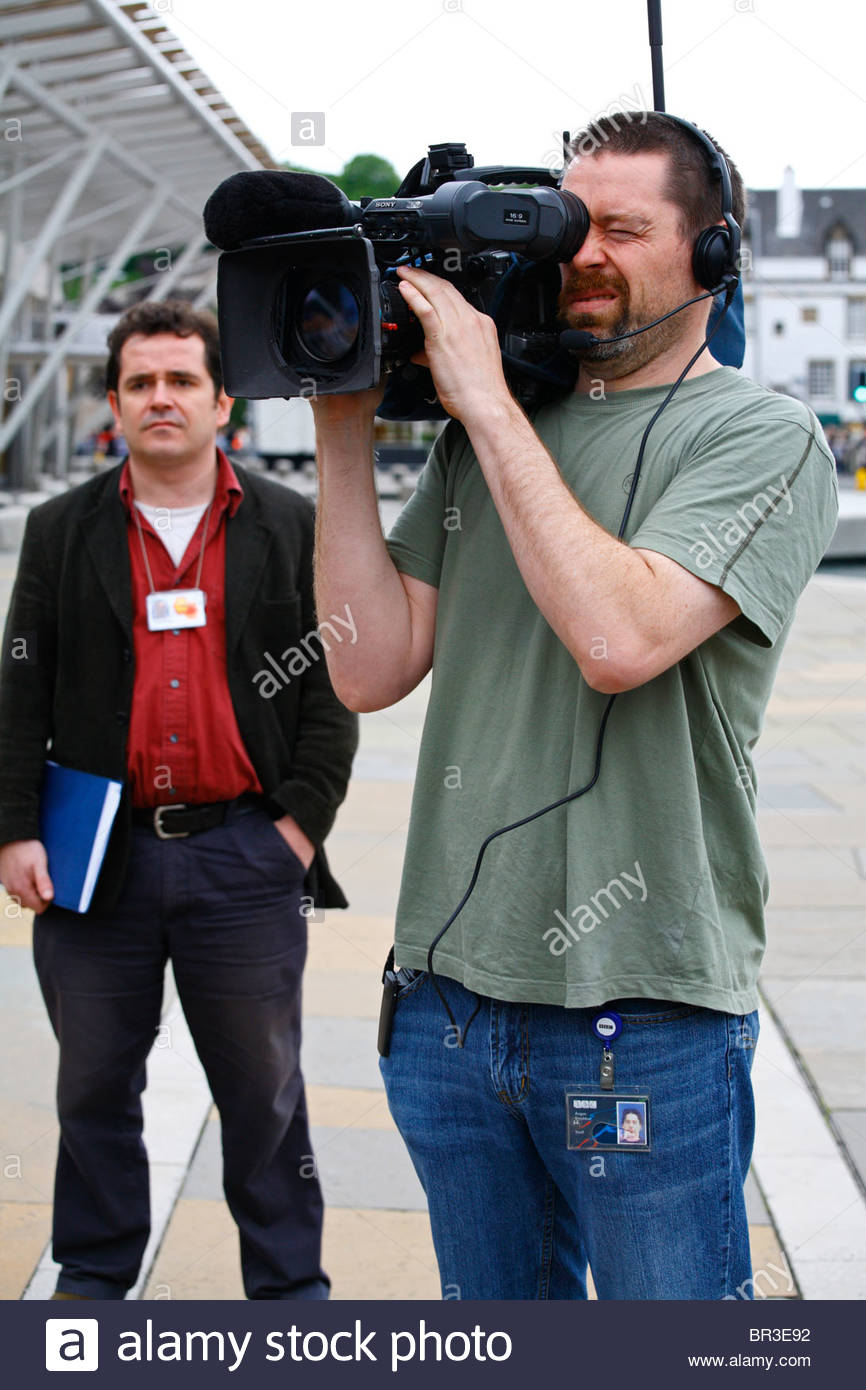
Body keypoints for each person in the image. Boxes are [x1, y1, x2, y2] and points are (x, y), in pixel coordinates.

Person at [310, 113, 838, 1300]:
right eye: (564, 224)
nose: (581, 254)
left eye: (621, 228)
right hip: (447, 999)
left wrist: (489, 406)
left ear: (711, 253)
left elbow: (618, 639)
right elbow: (366, 667)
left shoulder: (760, 437)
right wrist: (342, 427)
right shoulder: (488, 438)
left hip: (639, 1011)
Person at [0, 299, 358, 1301]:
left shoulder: (288, 523)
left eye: (181, 380)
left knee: (264, 1090)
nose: (162, 398)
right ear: (115, 403)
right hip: (96, 858)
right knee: (93, 1085)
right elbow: (21, 687)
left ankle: (288, 1292)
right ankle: (93, 1277)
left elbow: (333, 689)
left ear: (221, 400)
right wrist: (15, 829)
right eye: (141, 383)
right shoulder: (62, 529)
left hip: (243, 854)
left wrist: (294, 829)